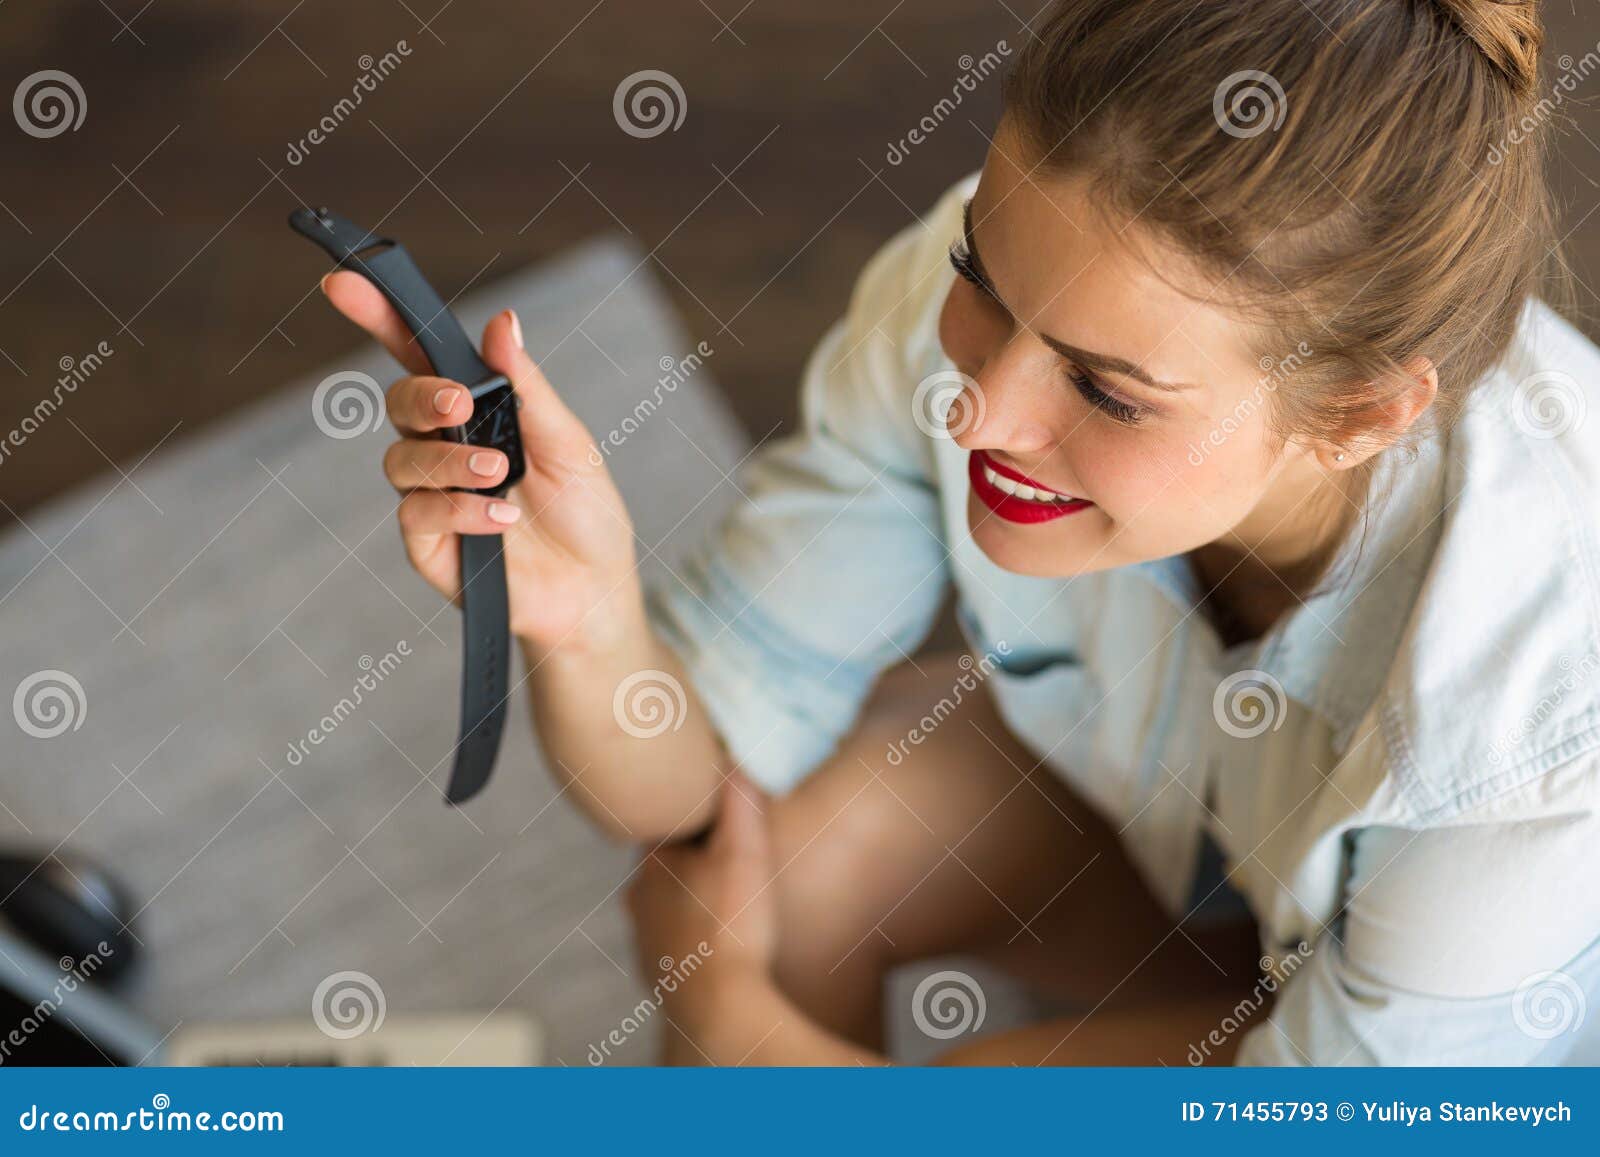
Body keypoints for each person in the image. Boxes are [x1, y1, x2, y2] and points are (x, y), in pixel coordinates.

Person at [322, 0, 1600, 1064]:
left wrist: (745, 1037)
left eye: (1104, 390)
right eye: (984, 285)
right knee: (779, 875)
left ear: (1360, 414)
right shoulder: (1031, 280)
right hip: (1223, 886)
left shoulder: (1542, 743)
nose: (980, 408)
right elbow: (692, 789)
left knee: (967, 1077)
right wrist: (586, 618)